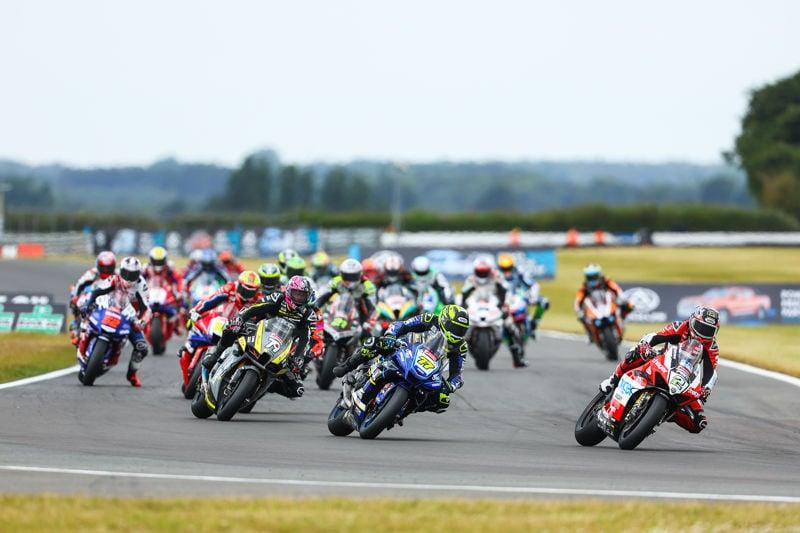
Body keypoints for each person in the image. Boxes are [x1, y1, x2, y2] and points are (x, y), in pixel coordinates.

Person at [600, 306, 721, 434]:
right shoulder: (679, 327)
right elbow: (656, 337)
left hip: (683, 378)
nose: (703, 333)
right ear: (691, 321)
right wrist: (646, 346)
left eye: (709, 331)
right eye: (700, 326)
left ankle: (666, 412)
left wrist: (704, 390)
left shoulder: (712, 348)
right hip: (661, 361)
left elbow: (710, 373)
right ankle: (614, 379)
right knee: (635, 354)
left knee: (699, 423)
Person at [332, 304, 470, 416]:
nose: (458, 332)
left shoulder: (461, 346)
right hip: (405, 348)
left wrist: (451, 386)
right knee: (374, 343)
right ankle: (347, 366)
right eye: (455, 328)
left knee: (442, 400)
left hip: (428, 368)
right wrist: (391, 336)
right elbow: (402, 325)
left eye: (461, 330)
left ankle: (402, 410)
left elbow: (457, 374)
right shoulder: (429, 319)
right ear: (445, 320)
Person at [202, 276, 319, 399]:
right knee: (231, 329)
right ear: (289, 291)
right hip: (258, 328)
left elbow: (306, 338)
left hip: (282, 346)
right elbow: (254, 308)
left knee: (297, 390)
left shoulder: (308, 314)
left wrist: (299, 357)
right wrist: (240, 319)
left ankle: (264, 387)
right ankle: (216, 355)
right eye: (296, 294)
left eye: (302, 295)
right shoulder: (278, 297)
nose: (299, 297)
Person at [178, 271, 262, 388]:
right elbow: (210, 300)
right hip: (215, 321)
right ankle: (190, 355)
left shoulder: (258, 299)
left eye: (251, 291)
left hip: (236, 332)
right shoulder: (229, 288)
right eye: (245, 289)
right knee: (186, 348)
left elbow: (265, 316)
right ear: (239, 285)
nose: (248, 293)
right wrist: (196, 310)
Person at [79, 257, 150, 387]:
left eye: (133, 274)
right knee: (85, 319)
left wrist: (142, 322)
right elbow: (96, 292)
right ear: (121, 271)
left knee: (142, 348)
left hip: (129, 318)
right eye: (126, 273)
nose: (128, 278)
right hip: (107, 309)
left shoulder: (141, 286)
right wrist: (87, 305)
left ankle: (132, 374)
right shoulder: (114, 279)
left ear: (138, 274)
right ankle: (82, 345)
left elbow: (147, 309)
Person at [458, 258, 527, 368]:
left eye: (484, 272)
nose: (482, 274)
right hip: (475, 304)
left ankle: (517, 358)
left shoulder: (497, 276)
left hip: (493, 304)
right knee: (457, 324)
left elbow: (506, 291)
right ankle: (450, 355)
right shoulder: (471, 279)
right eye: (480, 272)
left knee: (509, 325)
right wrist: (462, 307)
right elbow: (464, 293)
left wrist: (505, 306)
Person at [574, 264, 633, 343]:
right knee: (582, 318)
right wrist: (578, 310)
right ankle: (590, 334)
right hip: (595, 309)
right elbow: (578, 300)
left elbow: (617, 289)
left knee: (629, 306)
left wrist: (622, 299)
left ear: (599, 275)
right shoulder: (584, 288)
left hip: (609, 304)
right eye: (590, 277)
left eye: (594, 276)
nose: (592, 279)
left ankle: (622, 321)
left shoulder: (607, 281)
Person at [496, 253, 549, 339]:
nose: (506, 271)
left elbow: (533, 285)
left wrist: (533, 296)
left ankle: (534, 322)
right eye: (504, 269)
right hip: (504, 301)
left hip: (520, 297)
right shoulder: (496, 276)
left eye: (508, 268)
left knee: (544, 302)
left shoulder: (519, 273)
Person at [68, 251, 117, 345]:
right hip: (91, 297)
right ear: (98, 266)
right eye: (103, 267)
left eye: (109, 268)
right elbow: (79, 285)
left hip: (110, 300)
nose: (106, 270)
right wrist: (74, 297)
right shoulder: (92, 273)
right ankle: (76, 324)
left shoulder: (117, 275)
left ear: (113, 266)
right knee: (78, 303)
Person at [314, 258, 377, 328]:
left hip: (358, 315)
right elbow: (322, 298)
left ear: (360, 274)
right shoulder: (336, 281)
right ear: (341, 274)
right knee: (317, 328)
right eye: (346, 276)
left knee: (367, 332)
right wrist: (314, 310)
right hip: (336, 312)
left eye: (353, 276)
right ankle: (322, 326)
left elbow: (371, 307)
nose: (349, 280)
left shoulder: (368, 285)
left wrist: (369, 321)